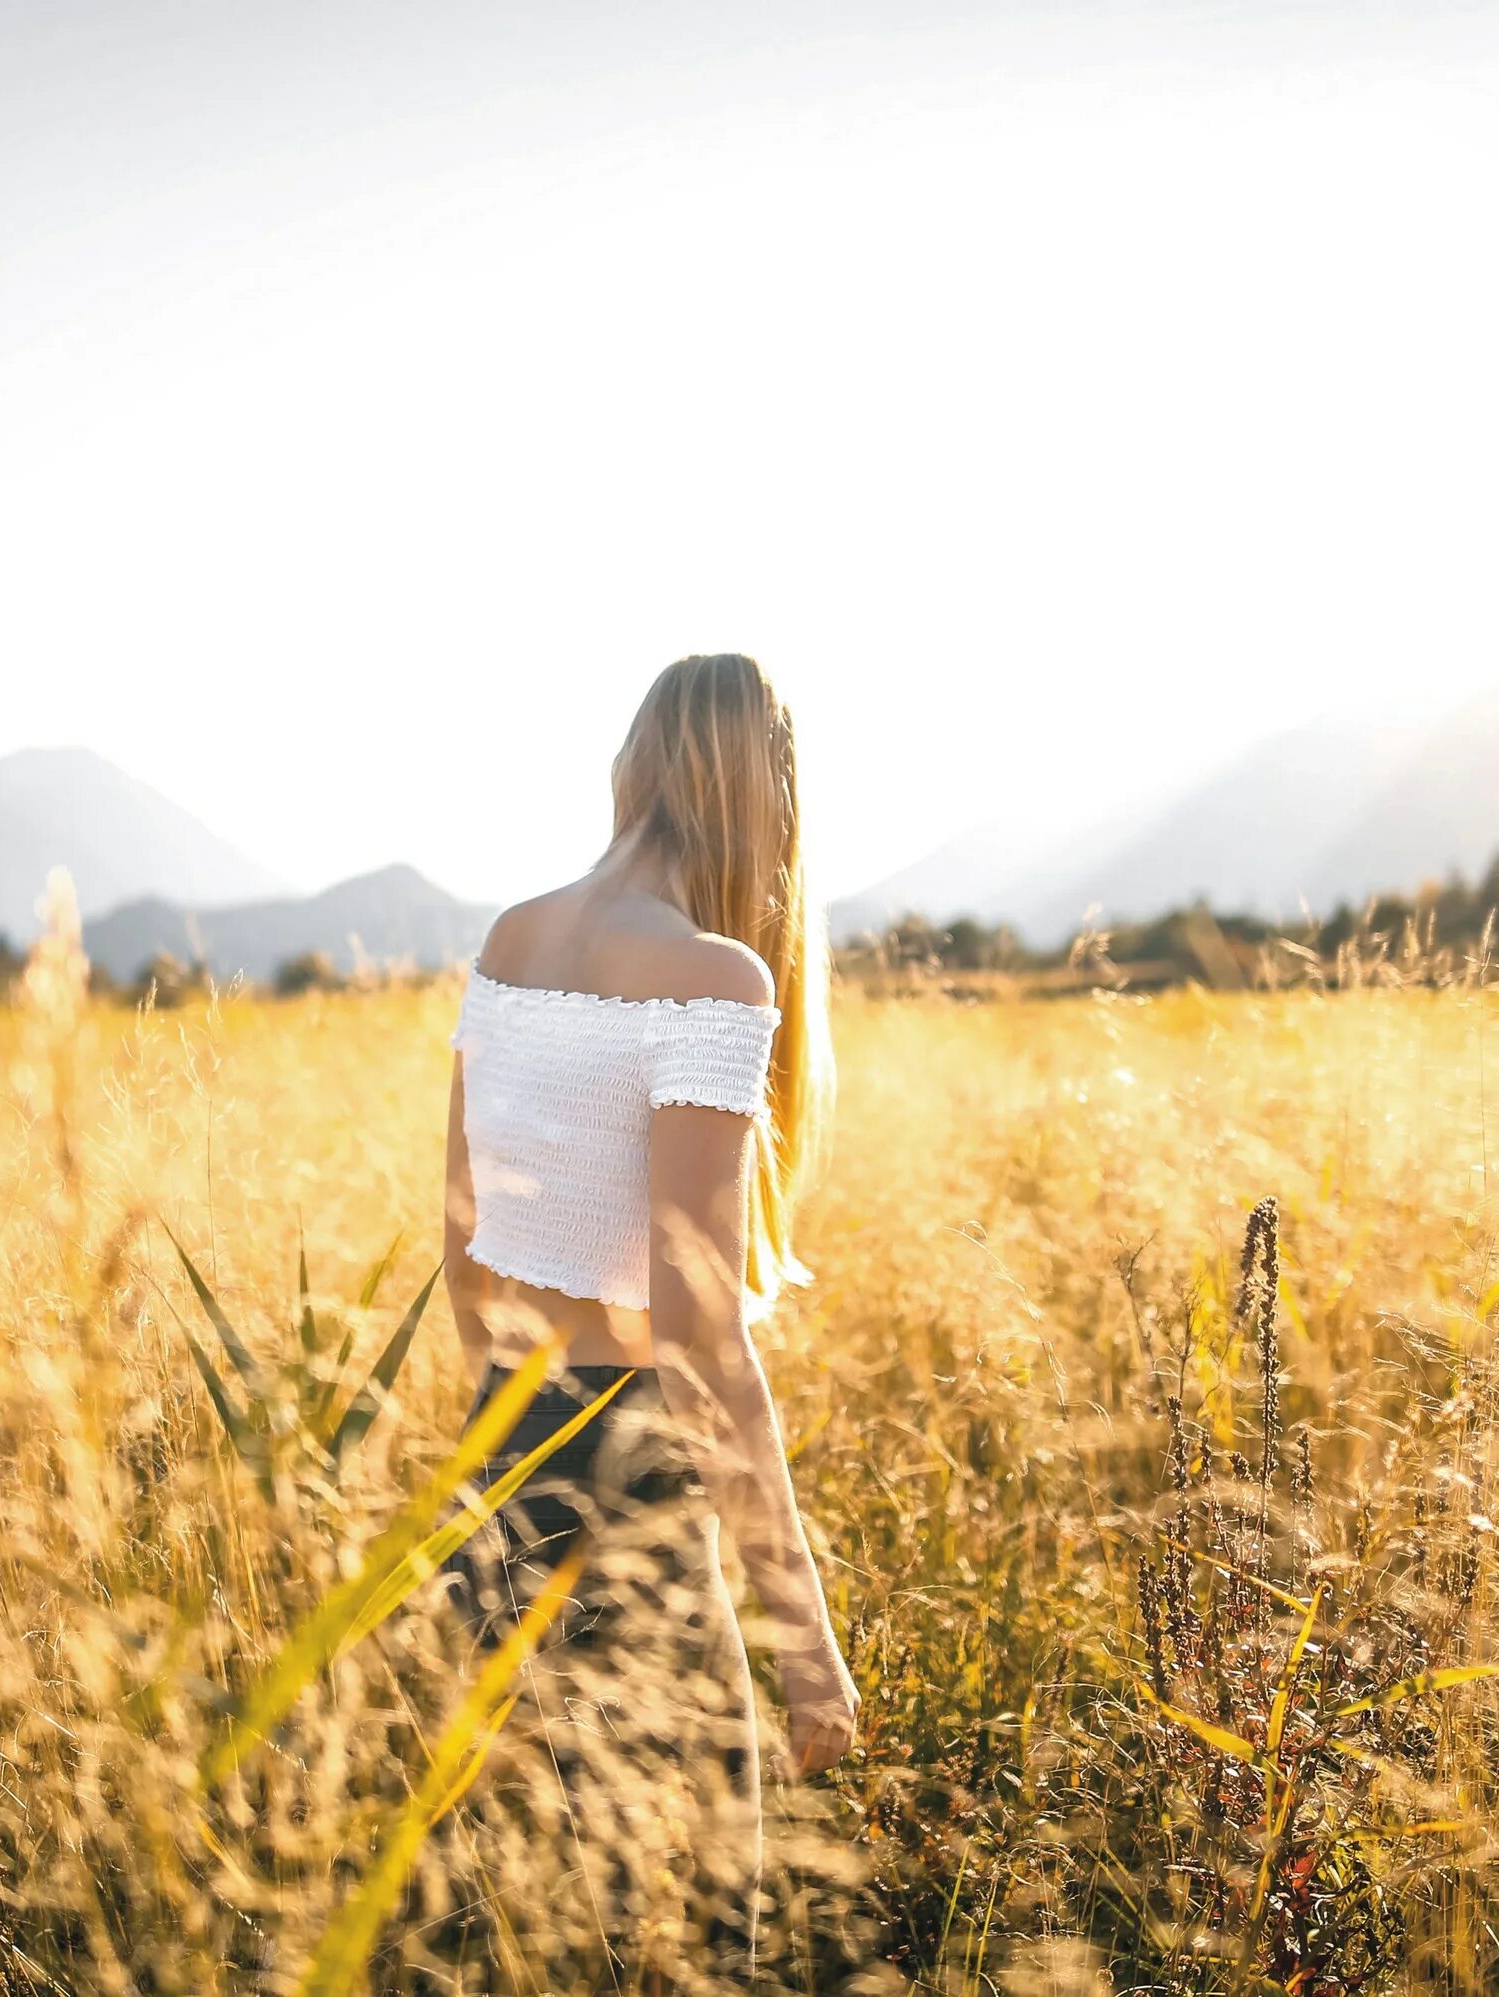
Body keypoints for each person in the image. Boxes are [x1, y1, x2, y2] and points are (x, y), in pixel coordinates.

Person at [440, 653, 860, 1982]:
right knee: (700, 1922)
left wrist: (498, 1462)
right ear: (769, 800)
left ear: (637, 765)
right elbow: (697, 1325)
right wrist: (807, 1637)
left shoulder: (513, 937)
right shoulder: (716, 978)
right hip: (631, 1463)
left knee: (548, 1909)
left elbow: (462, 1238)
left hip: (505, 1438)